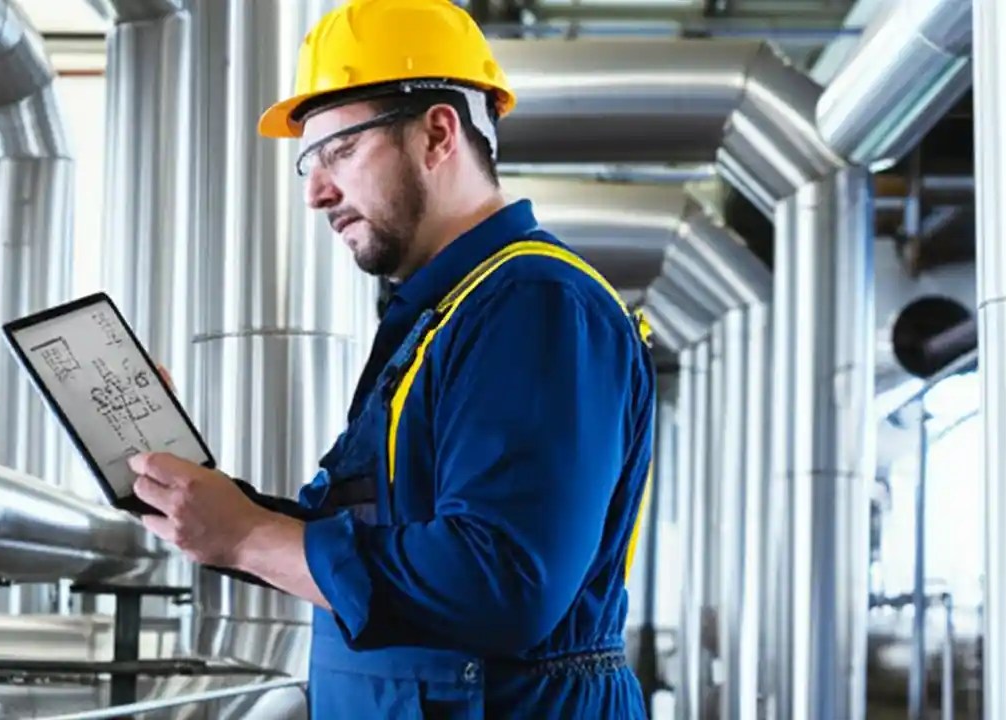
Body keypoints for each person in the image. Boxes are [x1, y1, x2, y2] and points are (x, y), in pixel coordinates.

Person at [128, 0, 657, 716]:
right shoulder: (442, 315)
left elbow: (503, 583)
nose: (316, 192)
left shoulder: (533, 303)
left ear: (437, 133)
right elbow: (370, 548)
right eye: (309, 163)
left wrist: (249, 536)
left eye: (339, 152)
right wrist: (205, 505)